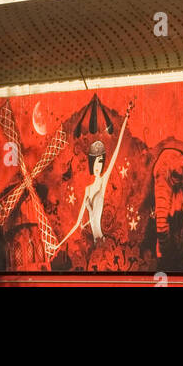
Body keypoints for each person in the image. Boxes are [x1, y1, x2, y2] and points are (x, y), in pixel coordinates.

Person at [48, 101, 132, 257]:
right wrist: (58, 244)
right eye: (96, 162)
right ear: (92, 163)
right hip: (94, 245)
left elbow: (115, 153)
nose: (99, 166)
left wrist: (126, 117)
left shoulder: (103, 181)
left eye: (101, 161)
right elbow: (77, 223)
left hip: (102, 241)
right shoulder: (87, 190)